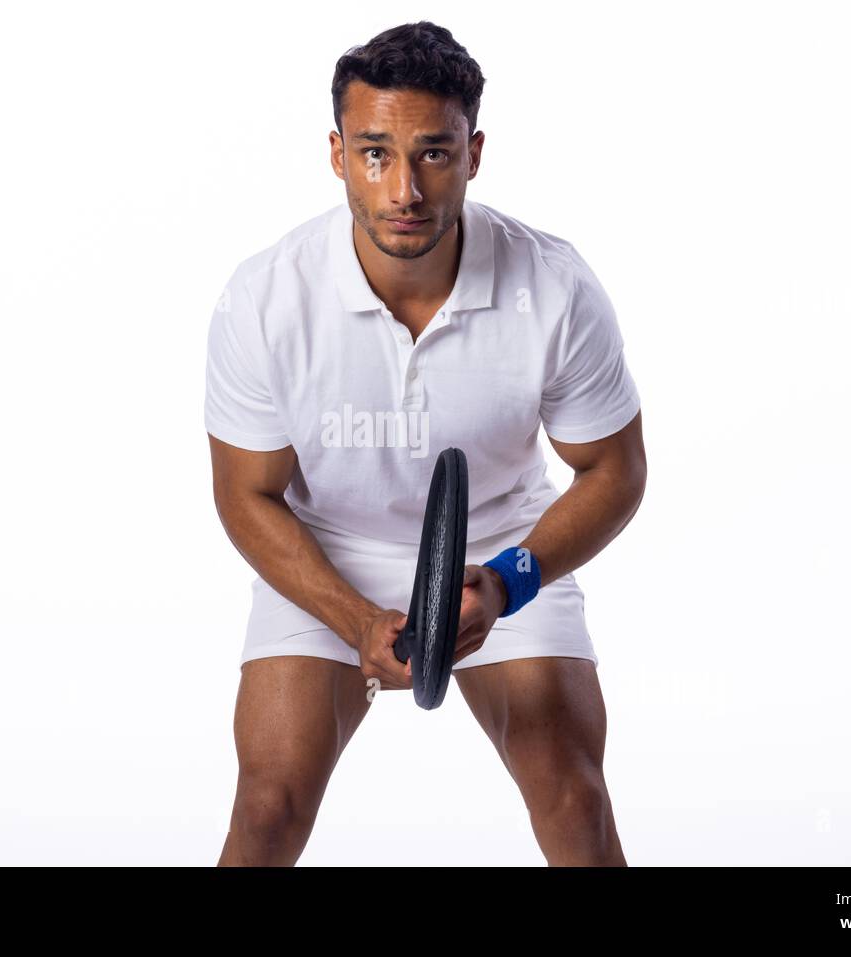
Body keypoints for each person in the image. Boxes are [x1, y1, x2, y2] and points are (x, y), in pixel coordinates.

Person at [204, 21, 646, 866]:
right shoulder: (264, 299)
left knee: (575, 799)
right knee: (268, 805)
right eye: (375, 152)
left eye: (434, 153)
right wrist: (356, 618)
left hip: (499, 546)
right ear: (337, 155)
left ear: (474, 154)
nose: (403, 186)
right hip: (327, 547)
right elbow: (244, 493)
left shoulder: (554, 286)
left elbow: (616, 468)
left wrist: (511, 581)